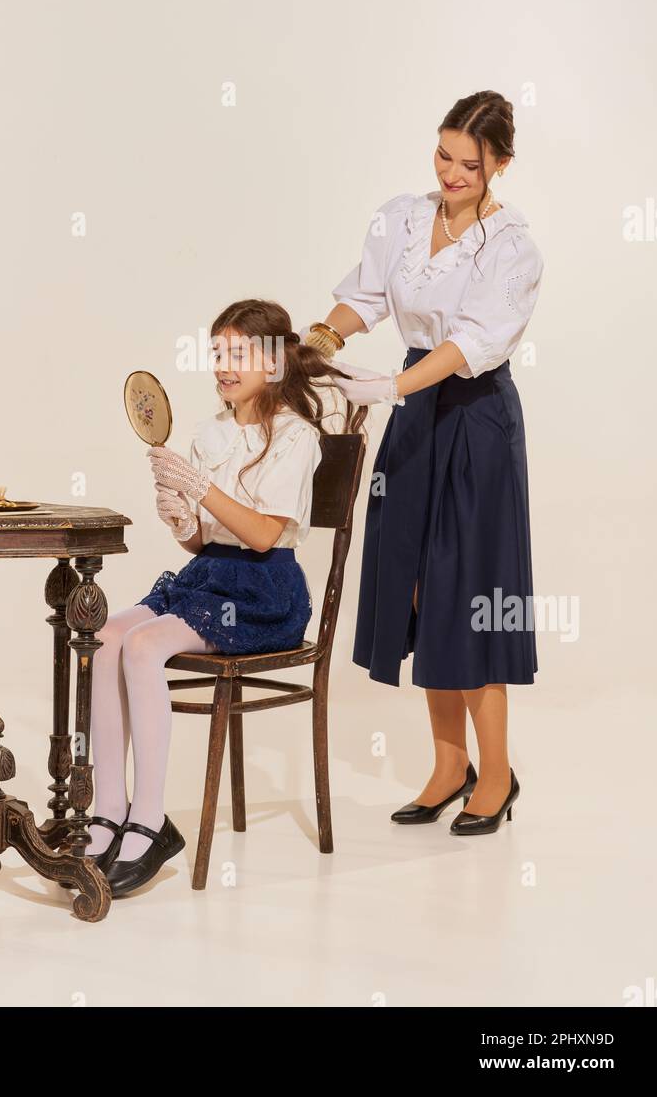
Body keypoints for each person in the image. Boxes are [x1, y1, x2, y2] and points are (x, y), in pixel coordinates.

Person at [304, 91, 544, 836]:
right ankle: (448, 766)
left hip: (473, 420)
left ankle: (496, 776)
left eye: (468, 163)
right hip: (413, 416)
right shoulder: (404, 217)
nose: (449, 173)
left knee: (468, 595)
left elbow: (471, 344)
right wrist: (321, 339)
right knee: (412, 588)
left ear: (500, 164)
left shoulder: (513, 249)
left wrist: (391, 386)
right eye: (443, 154)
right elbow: (366, 293)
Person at [87, 299, 360, 897]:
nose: (222, 367)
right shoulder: (210, 433)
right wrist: (179, 514)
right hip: (209, 578)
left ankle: (151, 821)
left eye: (237, 354)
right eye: (217, 354)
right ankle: (108, 808)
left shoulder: (296, 436)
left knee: (145, 646)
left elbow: (263, 535)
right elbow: (197, 543)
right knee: (105, 635)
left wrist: (202, 487)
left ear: (273, 361)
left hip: (264, 590)